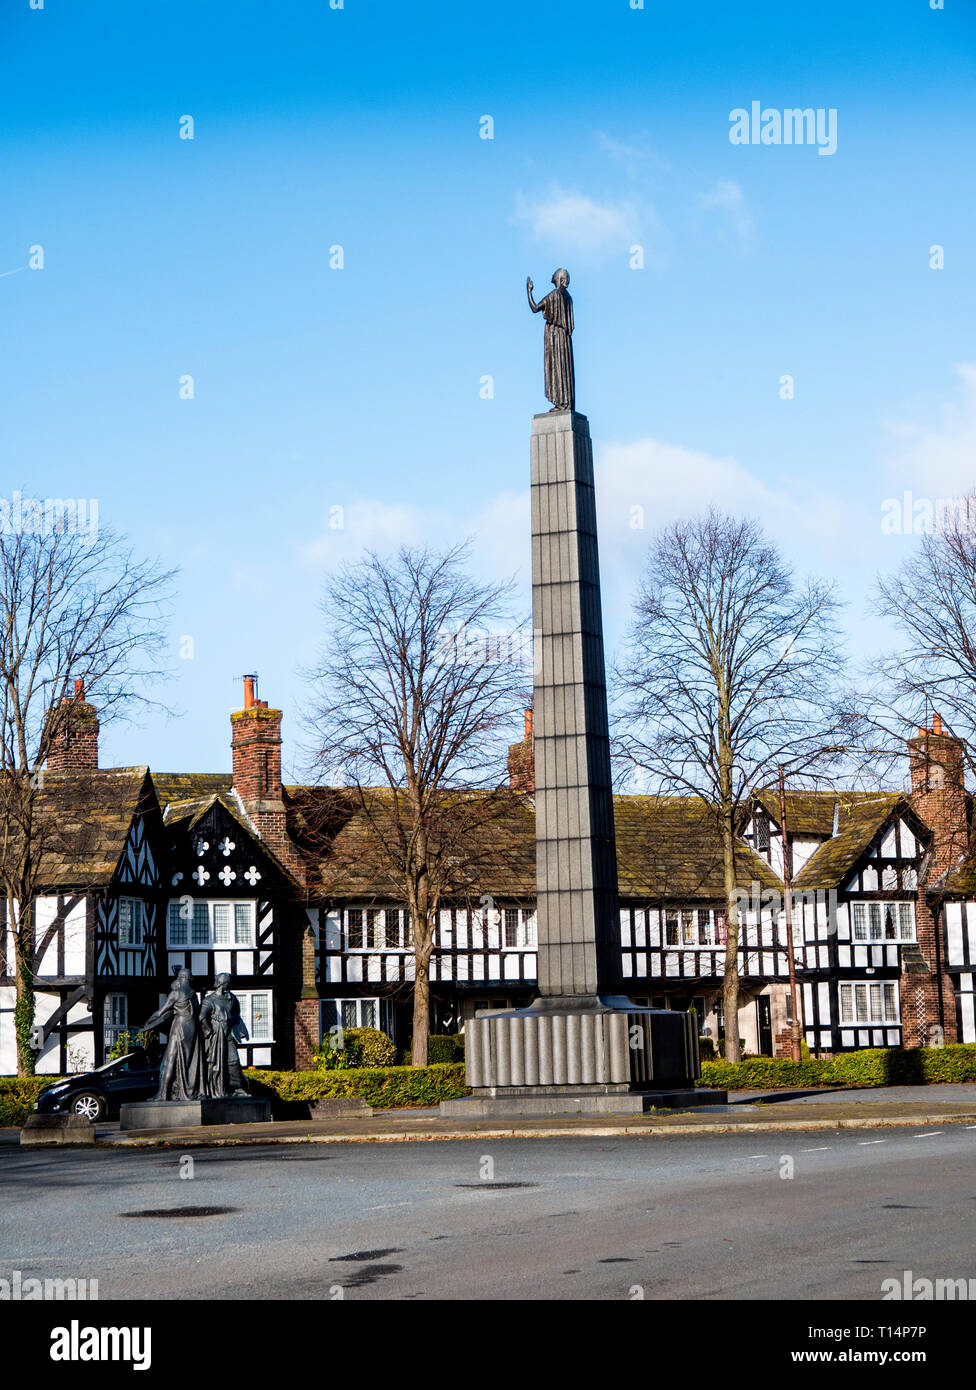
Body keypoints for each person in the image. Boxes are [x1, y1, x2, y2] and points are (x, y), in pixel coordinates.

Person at [140, 968, 204, 1101]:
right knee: (186, 1061)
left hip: (179, 1027)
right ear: (189, 978)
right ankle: (182, 1090)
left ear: (181, 978)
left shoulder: (176, 994)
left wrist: (147, 1024)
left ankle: (162, 1095)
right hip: (191, 1030)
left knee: (169, 1061)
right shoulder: (194, 995)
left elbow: (160, 1012)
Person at [526, 268, 575, 411]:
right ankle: (566, 402)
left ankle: (560, 403)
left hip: (554, 337)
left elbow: (535, 308)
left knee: (556, 367)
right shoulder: (569, 298)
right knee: (564, 368)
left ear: (559, 278)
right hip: (565, 339)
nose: (552, 275)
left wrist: (529, 291)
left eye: (554, 274)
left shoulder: (554, 295)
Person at [200, 973, 250, 1098]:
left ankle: (237, 1088)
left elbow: (236, 1014)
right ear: (222, 984)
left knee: (234, 1061)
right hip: (216, 1035)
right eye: (228, 983)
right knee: (216, 1063)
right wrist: (209, 1031)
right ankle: (215, 1089)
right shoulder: (209, 1000)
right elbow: (202, 1017)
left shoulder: (231, 998)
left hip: (228, 1033)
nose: (229, 985)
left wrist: (241, 1029)